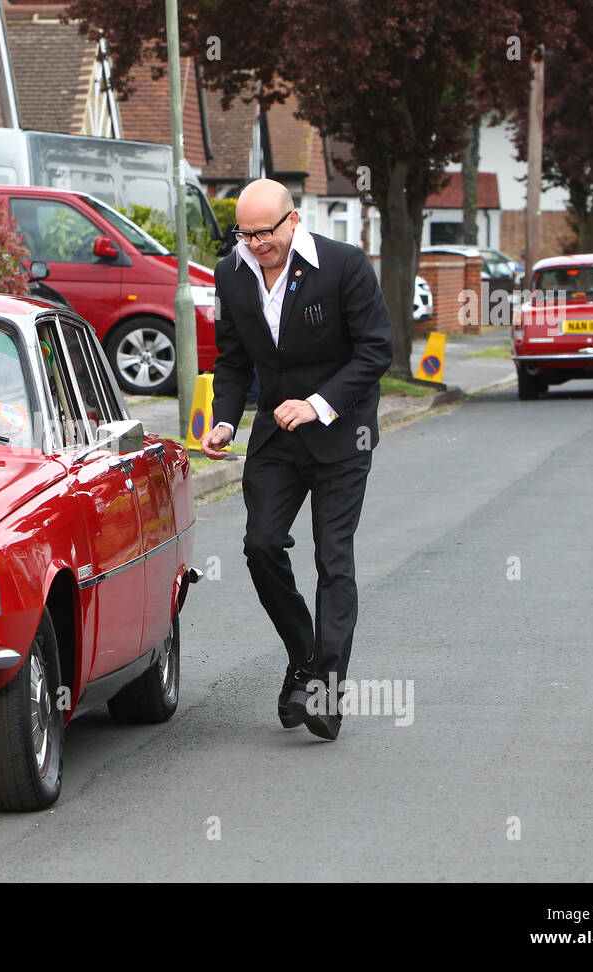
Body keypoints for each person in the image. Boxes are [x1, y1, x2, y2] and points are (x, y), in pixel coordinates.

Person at [200, 179, 392, 741]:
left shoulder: (344, 266)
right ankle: (304, 657)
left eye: (264, 233)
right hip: (275, 440)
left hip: (341, 434)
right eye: (245, 233)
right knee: (260, 544)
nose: (255, 244)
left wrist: (317, 404)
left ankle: (326, 692)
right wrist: (224, 418)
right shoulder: (231, 273)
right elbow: (233, 359)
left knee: (334, 560)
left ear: (292, 221)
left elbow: (376, 348)